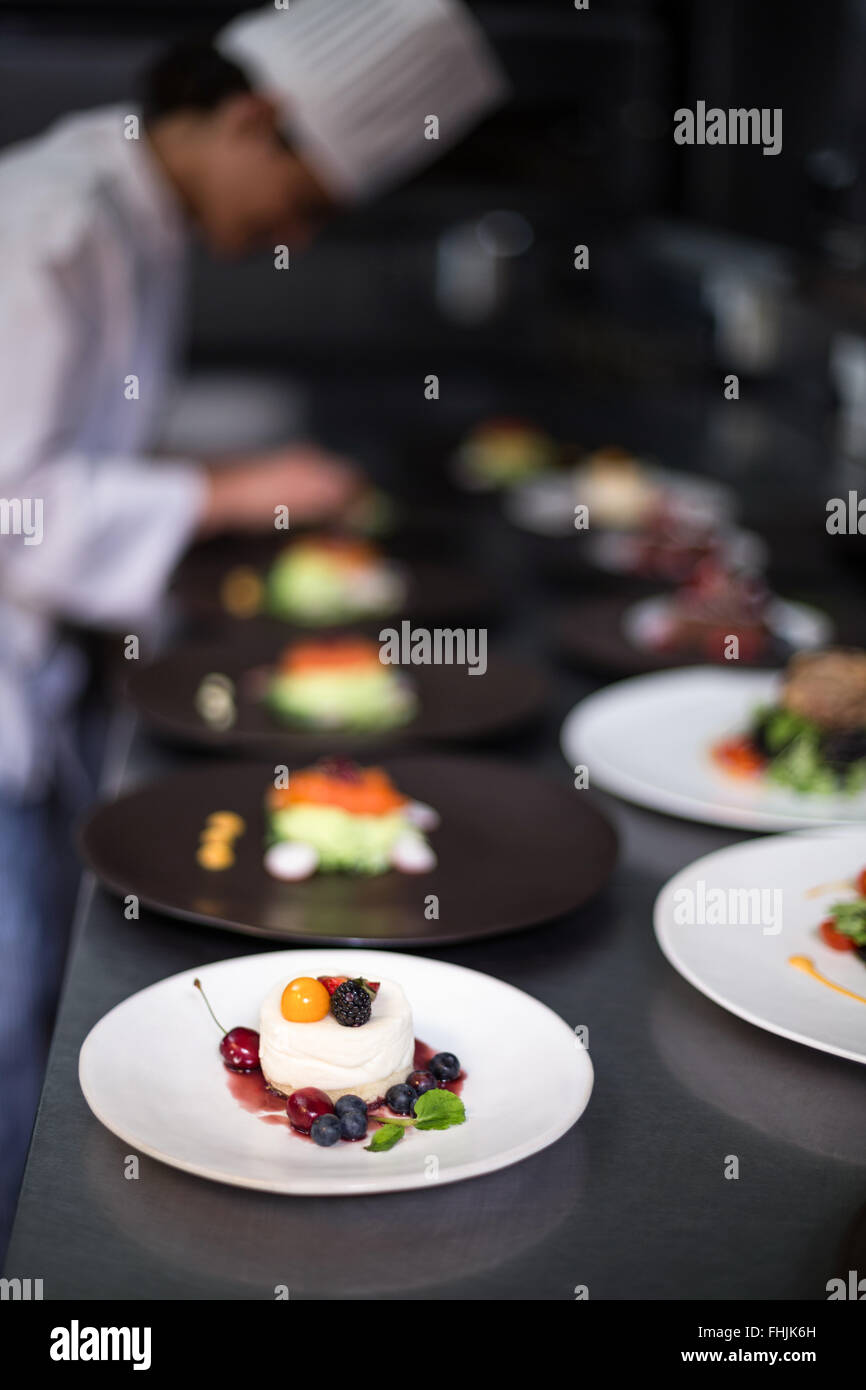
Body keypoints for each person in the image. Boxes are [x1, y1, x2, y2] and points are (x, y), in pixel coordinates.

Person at [0, 0, 507, 1259]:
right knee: (10, 1031)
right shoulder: (46, 219)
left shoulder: (132, 204)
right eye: (306, 201)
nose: (291, 234)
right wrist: (232, 488)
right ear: (252, 117)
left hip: (36, 671)